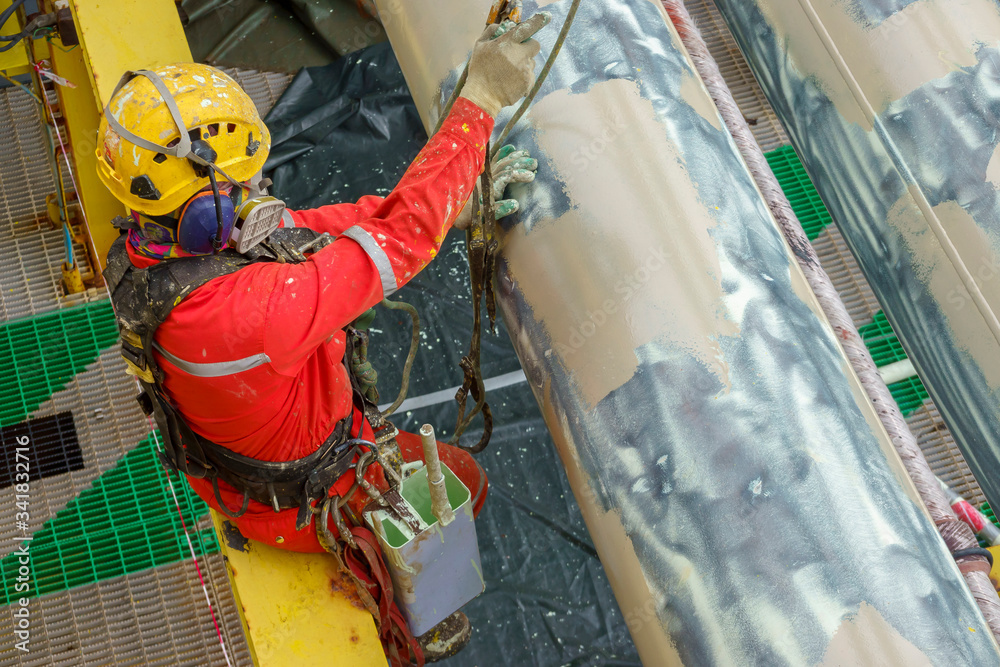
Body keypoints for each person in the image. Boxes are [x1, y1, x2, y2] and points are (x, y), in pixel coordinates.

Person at [95, 15, 547, 666]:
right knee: (459, 479)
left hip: (246, 460)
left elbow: (311, 231)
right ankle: (426, 612)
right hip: (299, 500)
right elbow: (394, 247)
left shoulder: (158, 252)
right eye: (242, 185)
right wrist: (475, 108)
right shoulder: (237, 315)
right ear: (206, 205)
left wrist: (460, 204)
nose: (257, 195)